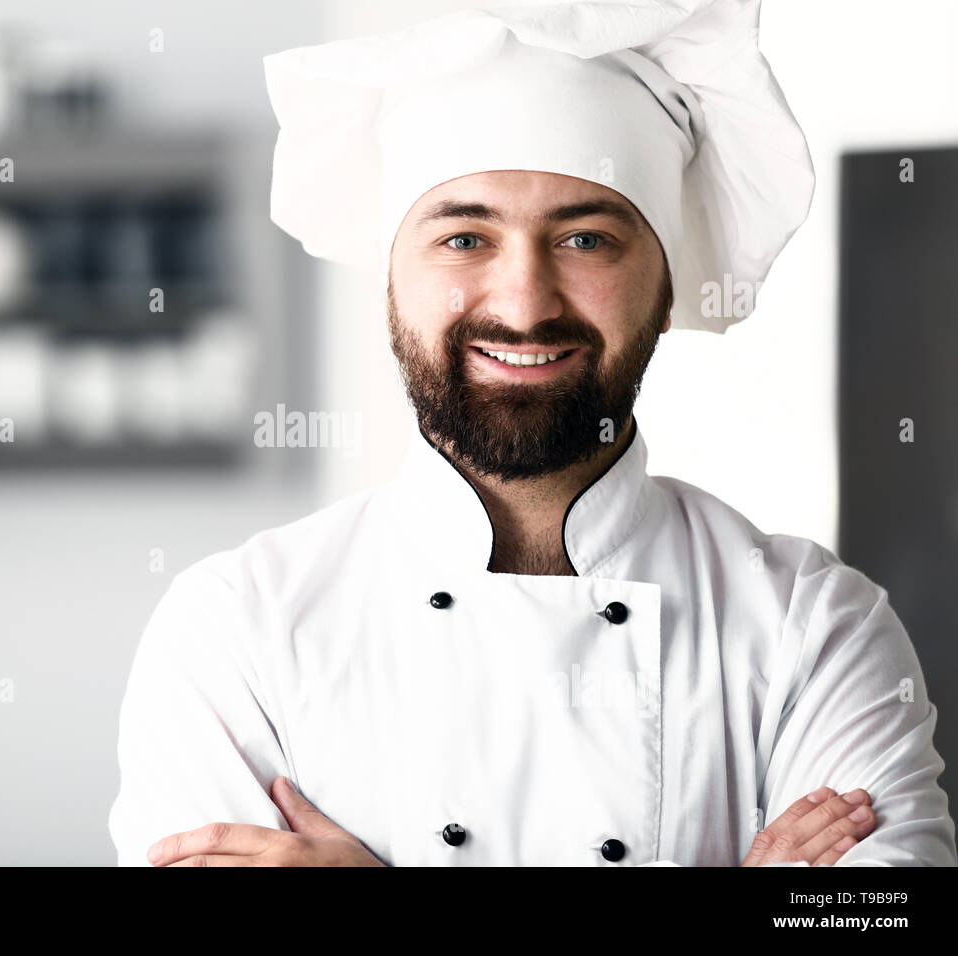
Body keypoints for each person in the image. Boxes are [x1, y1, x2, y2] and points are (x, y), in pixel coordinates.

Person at [107, 0, 957, 866]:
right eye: (465, 237)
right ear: (390, 279)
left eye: (587, 238)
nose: (524, 304)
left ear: (665, 287)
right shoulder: (240, 629)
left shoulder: (810, 625)